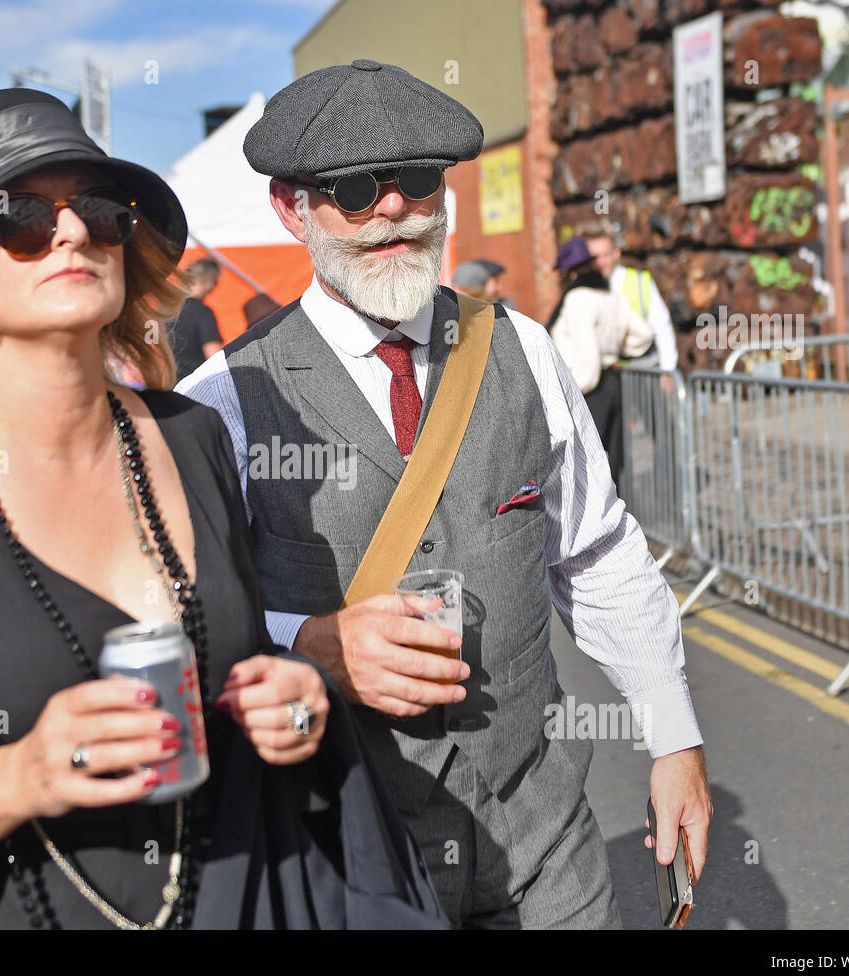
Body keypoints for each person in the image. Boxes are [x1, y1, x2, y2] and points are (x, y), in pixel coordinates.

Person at [0, 88, 443, 930]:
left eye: (99, 209)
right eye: (21, 215)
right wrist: (25, 775)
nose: (73, 232)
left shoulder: (195, 439)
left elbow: (242, 672)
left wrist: (297, 701)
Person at [179, 59, 711, 929]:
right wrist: (306, 642)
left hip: (548, 850)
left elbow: (598, 552)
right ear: (291, 209)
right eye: (352, 189)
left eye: (417, 179)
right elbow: (186, 618)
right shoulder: (224, 398)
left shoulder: (525, 351)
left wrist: (674, 736)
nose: (392, 208)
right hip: (348, 862)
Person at [547, 236, 654, 490]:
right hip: (613, 382)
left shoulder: (578, 299)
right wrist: (621, 349)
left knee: (585, 466)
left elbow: (587, 355)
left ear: (570, 272)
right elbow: (643, 334)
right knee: (613, 462)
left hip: (588, 390)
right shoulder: (611, 296)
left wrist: (569, 393)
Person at [585, 228, 677, 373]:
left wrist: (668, 369)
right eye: (595, 257)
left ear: (617, 253)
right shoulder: (586, 288)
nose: (601, 262)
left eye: (605, 255)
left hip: (643, 369)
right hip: (606, 374)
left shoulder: (640, 281)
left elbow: (662, 325)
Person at [167, 257, 224, 380]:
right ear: (209, 281)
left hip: (168, 384)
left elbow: (151, 343)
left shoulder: (166, 310)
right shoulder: (203, 312)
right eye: (215, 282)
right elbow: (214, 356)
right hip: (195, 386)